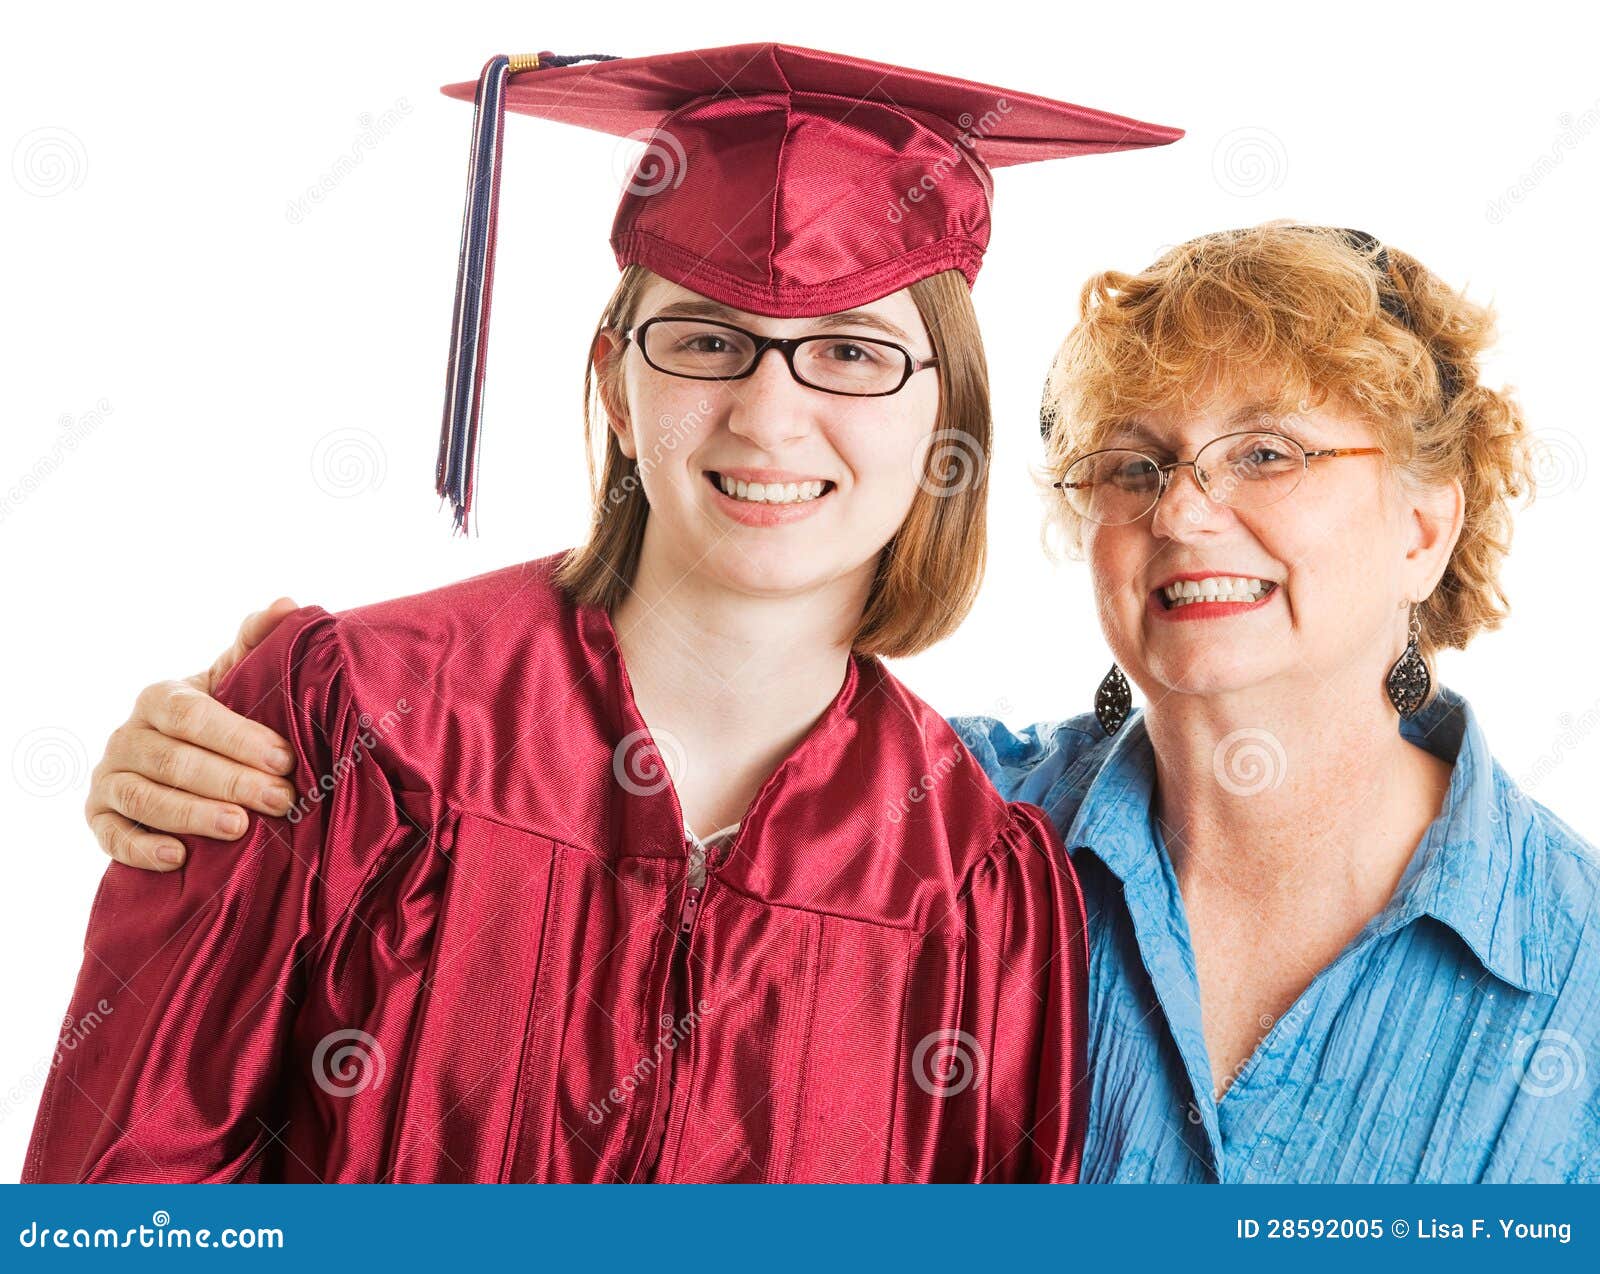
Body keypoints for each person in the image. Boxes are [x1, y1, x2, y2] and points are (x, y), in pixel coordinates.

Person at [84, 223, 1600, 1183]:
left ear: (1429, 522)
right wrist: (248, 741)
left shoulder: (1577, 963)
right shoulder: (970, 838)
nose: (1187, 511)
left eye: (1268, 452)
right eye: (1136, 462)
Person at [24, 43, 1185, 1184]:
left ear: (947, 421)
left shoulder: (976, 890)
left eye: (850, 350)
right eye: (706, 341)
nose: (768, 416)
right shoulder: (356, 724)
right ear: (615, 384)